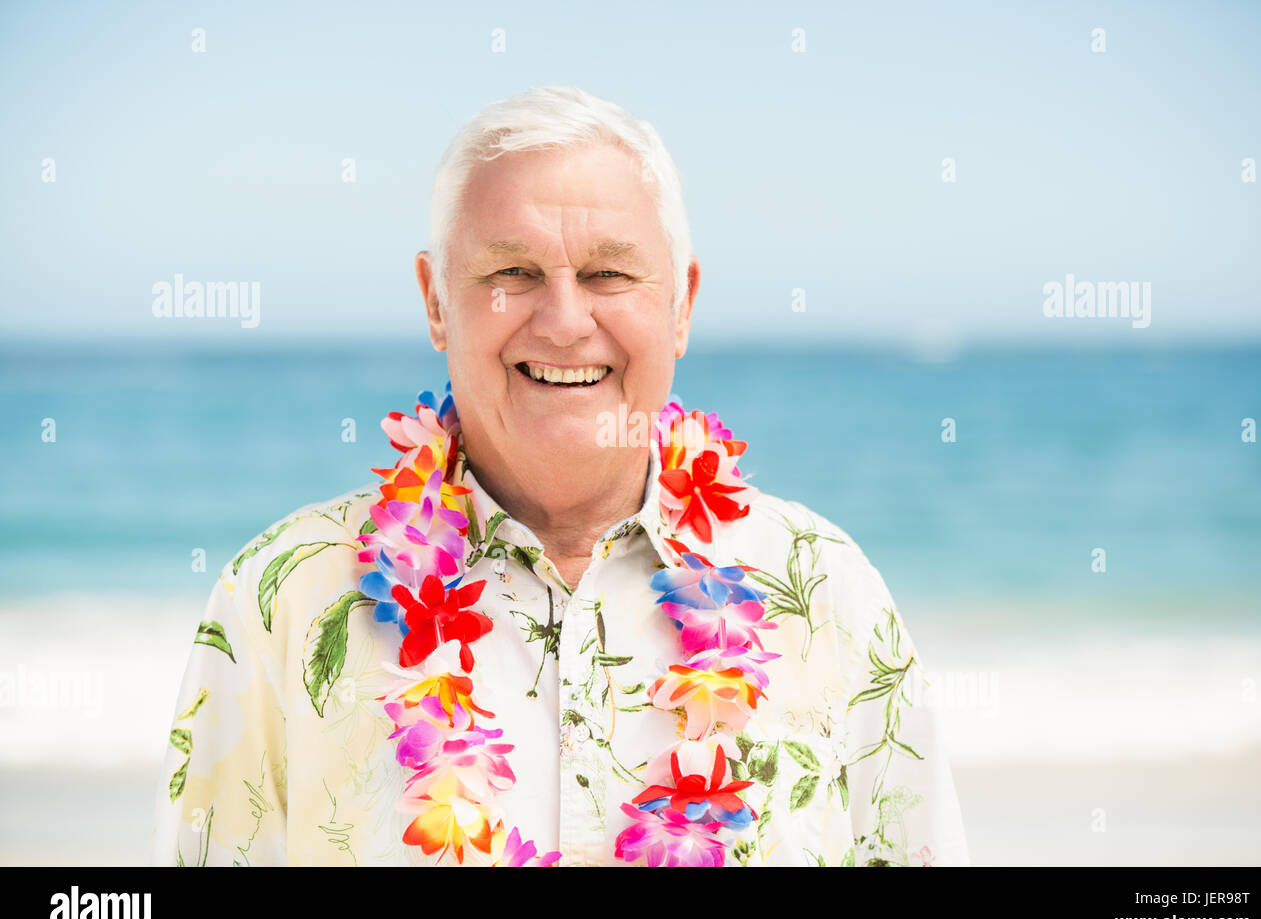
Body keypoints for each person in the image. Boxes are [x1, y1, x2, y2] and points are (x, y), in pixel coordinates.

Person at [149, 85, 970, 867]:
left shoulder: (826, 589)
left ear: (681, 304)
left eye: (610, 274)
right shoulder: (280, 597)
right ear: (437, 301)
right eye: (512, 273)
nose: (567, 320)